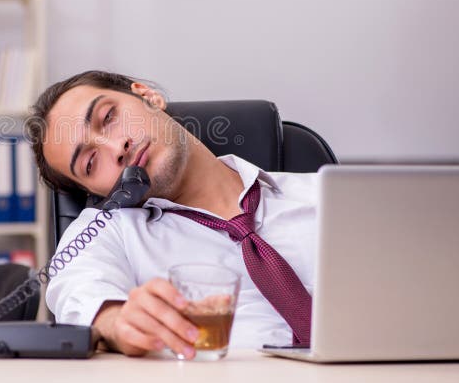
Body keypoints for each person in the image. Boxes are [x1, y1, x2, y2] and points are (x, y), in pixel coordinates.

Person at [25, 70, 319, 360]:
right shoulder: (104, 233)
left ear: (147, 96)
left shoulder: (323, 194)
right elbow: (79, 291)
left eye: (109, 118)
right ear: (96, 191)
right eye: (90, 162)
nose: (116, 148)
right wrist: (117, 321)